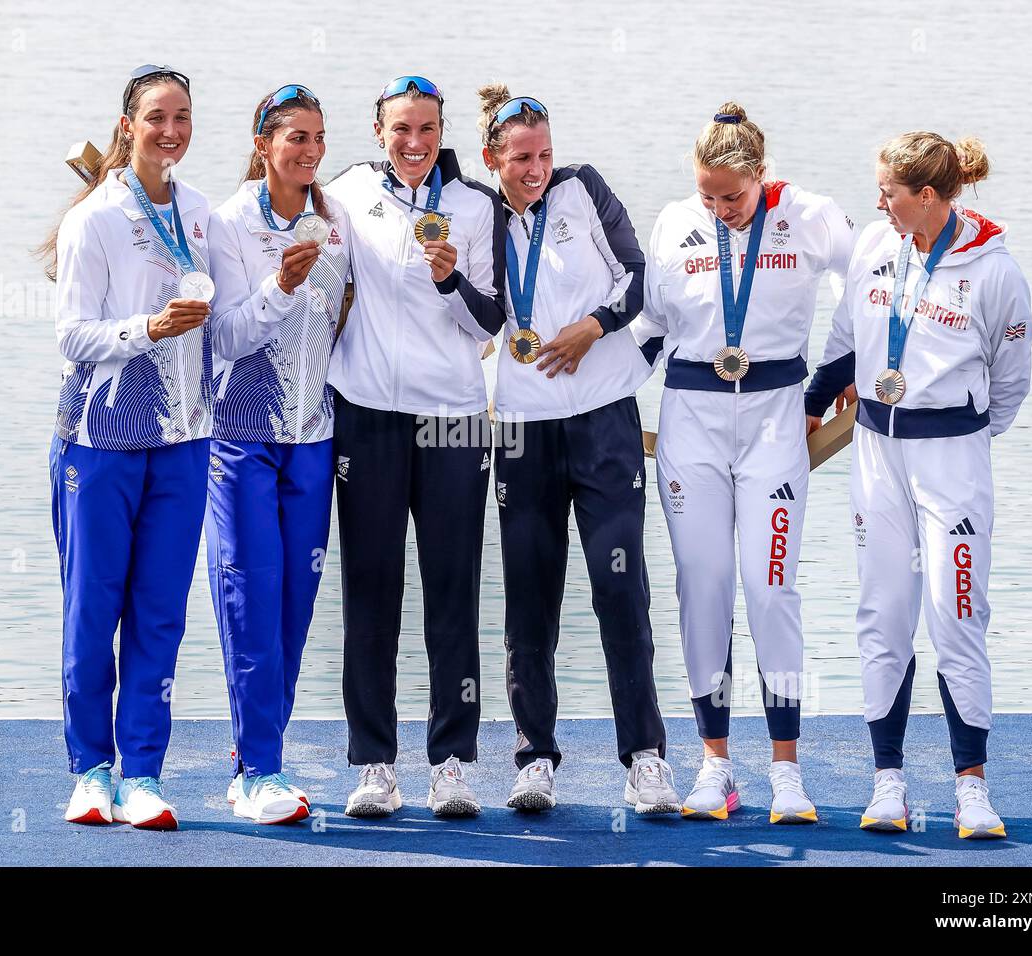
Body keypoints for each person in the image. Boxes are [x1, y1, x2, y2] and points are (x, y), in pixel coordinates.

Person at [805, 132, 1032, 839]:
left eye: (890, 190)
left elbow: (1012, 383)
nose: (879, 200)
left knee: (955, 614)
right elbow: (845, 342)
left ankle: (972, 790)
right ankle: (888, 783)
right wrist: (813, 402)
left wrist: (955, 436)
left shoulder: (996, 272)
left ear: (928, 196)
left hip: (953, 459)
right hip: (876, 452)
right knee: (882, 612)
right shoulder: (876, 243)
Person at [636, 102, 855, 823]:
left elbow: (874, 290)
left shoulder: (813, 215)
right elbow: (648, 326)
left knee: (770, 591)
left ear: (762, 174)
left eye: (733, 195)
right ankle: (715, 766)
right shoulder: (674, 222)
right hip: (690, 419)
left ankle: (787, 772)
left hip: (774, 420)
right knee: (702, 587)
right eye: (708, 194)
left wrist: (832, 384)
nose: (720, 208)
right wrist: (596, 399)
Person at [475, 84, 678, 815]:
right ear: (494, 157)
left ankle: (646, 757)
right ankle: (534, 756)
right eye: (522, 158)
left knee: (620, 587)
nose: (536, 169)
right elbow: (466, 304)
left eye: (545, 154)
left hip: (604, 420)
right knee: (530, 597)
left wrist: (594, 325)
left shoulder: (584, 190)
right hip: (524, 427)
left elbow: (638, 278)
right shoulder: (477, 212)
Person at [324, 76, 507, 818]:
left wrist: (451, 280)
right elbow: (269, 216)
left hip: (454, 419)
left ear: (442, 132)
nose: (414, 144)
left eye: (427, 130)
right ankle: (374, 764)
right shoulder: (343, 195)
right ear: (378, 131)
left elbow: (493, 321)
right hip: (366, 415)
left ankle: (453, 763)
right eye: (401, 129)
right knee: (369, 592)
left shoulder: (474, 206)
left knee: (453, 591)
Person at [41, 64, 212, 830]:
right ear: (126, 126)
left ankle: (142, 772)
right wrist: (146, 330)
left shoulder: (202, 214)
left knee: (159, 613)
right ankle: (91, 770)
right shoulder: (96, 218)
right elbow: (70, 335)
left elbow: (227, 327)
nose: (169, 130)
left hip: (182, 438)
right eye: (154, 117)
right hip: (99, 441)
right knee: (93, 607)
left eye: (180, 117)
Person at [204, 85, 351, 825]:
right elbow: (223, 339)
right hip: (242, 436)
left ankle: (254, 757)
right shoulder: (228, 223)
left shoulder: (336, 223)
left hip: (313, 440)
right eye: (296, 138)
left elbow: (350, 326)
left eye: (319, 138)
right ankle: (261, 767)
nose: (310, 150)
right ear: (264, 145)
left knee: (294, 607)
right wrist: (278, 287)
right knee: (251, 598)